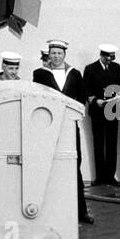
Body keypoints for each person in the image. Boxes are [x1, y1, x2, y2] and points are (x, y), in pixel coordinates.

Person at [32, 38, 95, 224]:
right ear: (48, 55)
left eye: (59, 53)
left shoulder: (74, 74)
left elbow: (82, 97)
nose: (56, 56)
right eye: (53, 53)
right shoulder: (40, 73)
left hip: (68, 127)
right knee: (47, 164)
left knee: (74, 167)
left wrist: (72, 113)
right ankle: (46, 212)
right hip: (48, 127)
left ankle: (80, 212)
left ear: (64, 54)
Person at [83, 46, 120, 185]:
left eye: (111, 58)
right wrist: (95, 100)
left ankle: (110, 177)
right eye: (107, 58)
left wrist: (119, 96)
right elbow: (86, 90)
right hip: (97, 111)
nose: (109, 61)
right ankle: (100, 177)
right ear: (101, 55)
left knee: (112, 144)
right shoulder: (90, 69)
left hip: (112, 110)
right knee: (98, 144)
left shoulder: (116, 67)